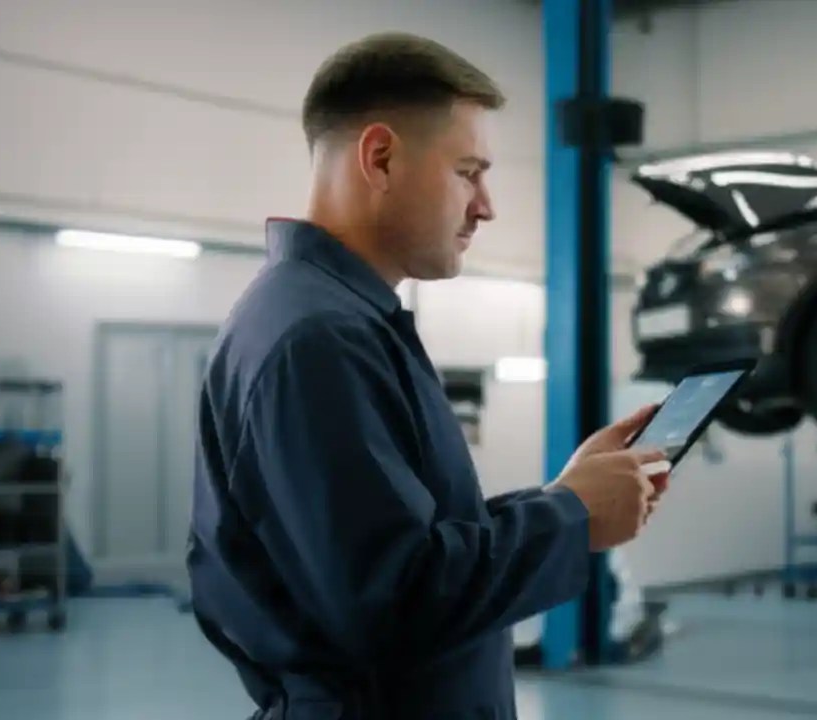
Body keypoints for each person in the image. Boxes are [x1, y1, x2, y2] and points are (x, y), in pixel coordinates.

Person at [186, 32, 671, 720]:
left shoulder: (342, 318)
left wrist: (564, 496)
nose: (487, 205)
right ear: (379, 158)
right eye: (468, 171)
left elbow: (407, 543)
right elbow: (392, 598)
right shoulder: (316, 338)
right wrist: (572, 518)